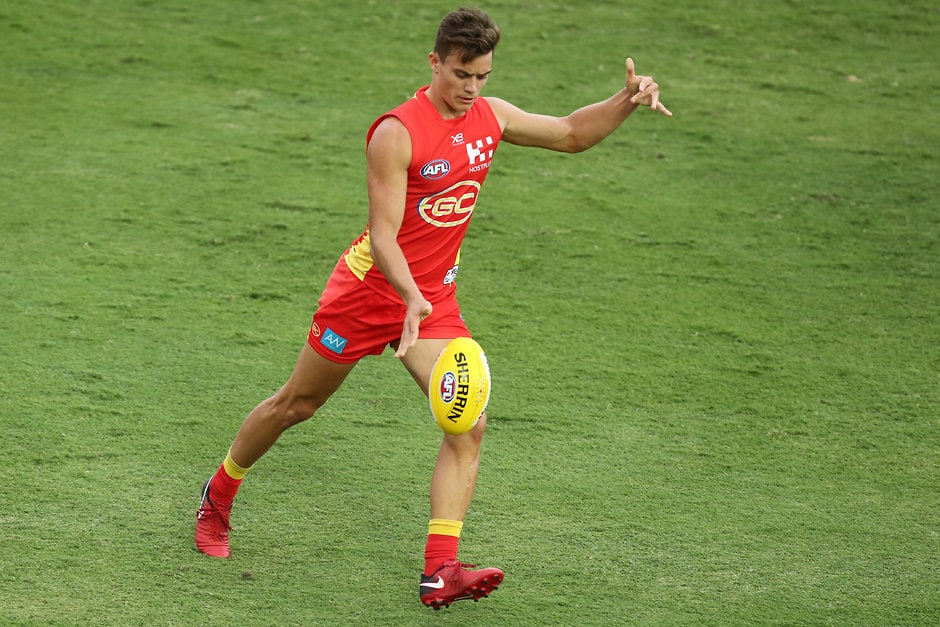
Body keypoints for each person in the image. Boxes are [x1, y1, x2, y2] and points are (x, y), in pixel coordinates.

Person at [195, 6, 671, 610]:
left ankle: (440, 569)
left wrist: (627, 99)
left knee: (467, 422)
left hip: (433, 300)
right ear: (435, 63)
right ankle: (218, 496)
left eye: (482, 76)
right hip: (369, 293)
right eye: (461, 74)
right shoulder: (397, 132)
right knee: (297, 405)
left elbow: (571, 134)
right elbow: (383, 233)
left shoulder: (491, 117)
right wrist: (409, 295)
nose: (472, 88)